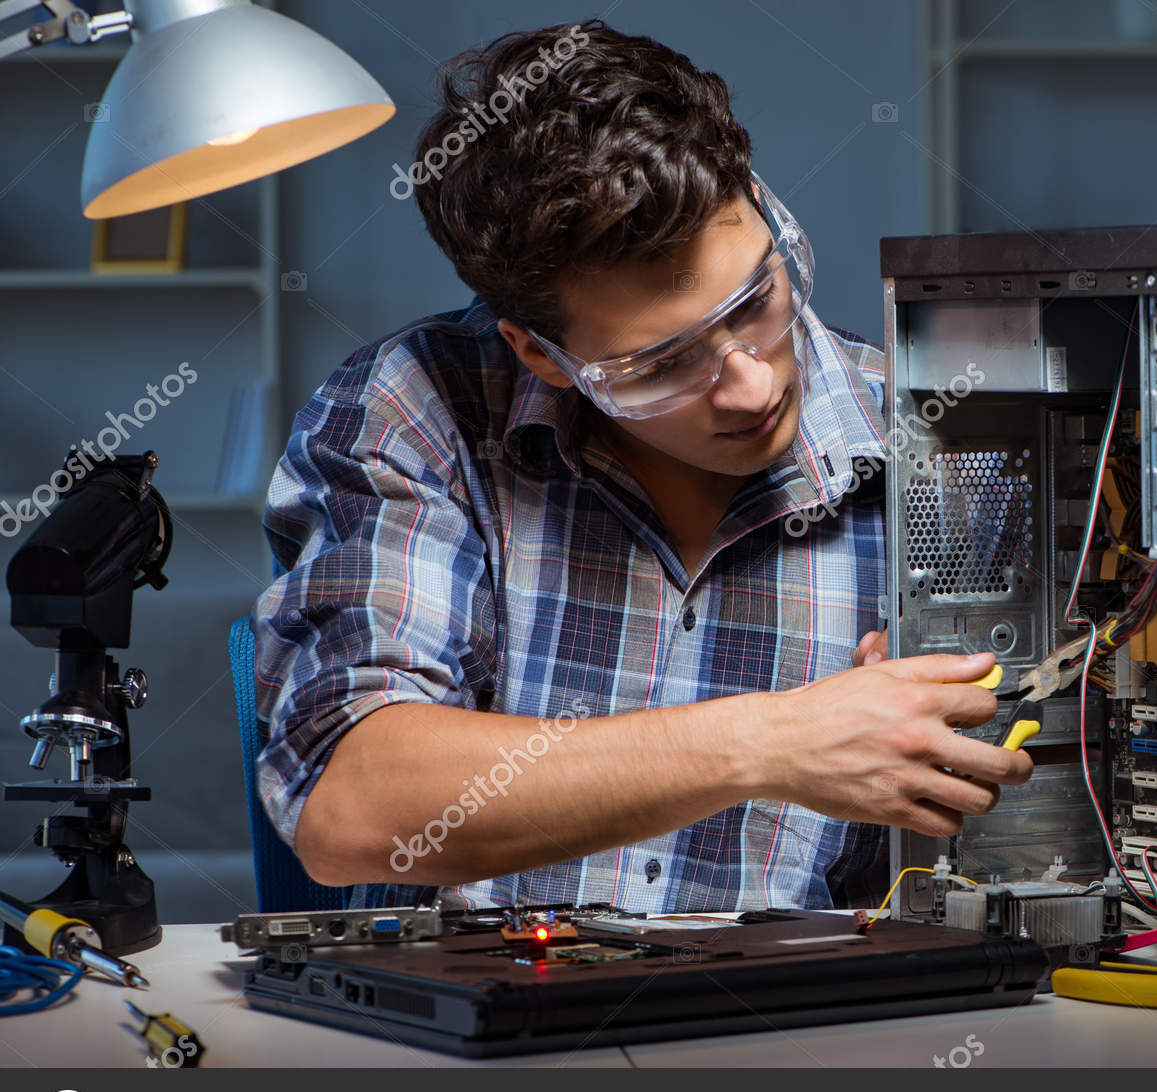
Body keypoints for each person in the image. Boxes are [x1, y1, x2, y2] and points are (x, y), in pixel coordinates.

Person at [252, 20, 1030, 912]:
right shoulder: (424, 407)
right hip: (493, 1032)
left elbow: (1033, 846)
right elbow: (354, 809)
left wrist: (963, 730)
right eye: (662, 364)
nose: (746, 385)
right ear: (541, 356)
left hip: (804, 1033)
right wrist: (776, 743)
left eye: (757, 301)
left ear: (768, 210)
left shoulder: (946, 442)